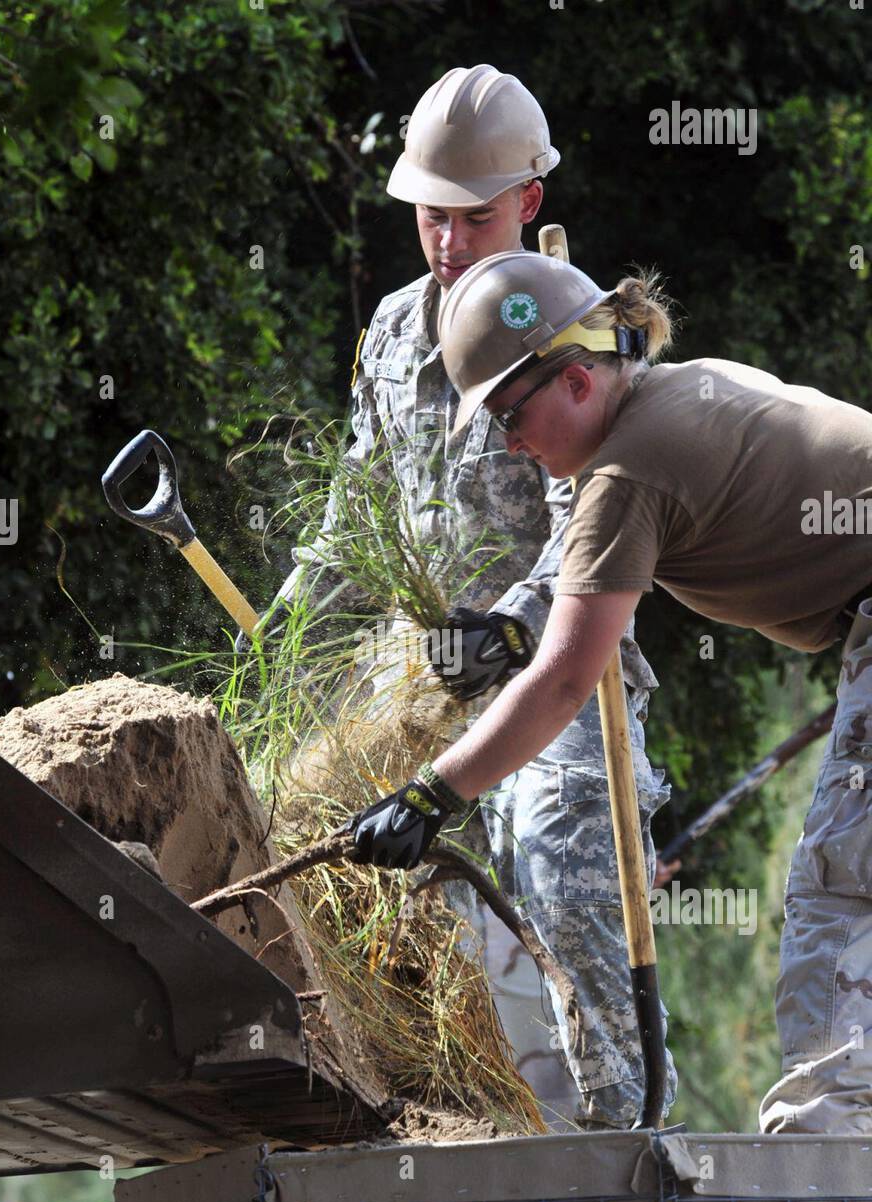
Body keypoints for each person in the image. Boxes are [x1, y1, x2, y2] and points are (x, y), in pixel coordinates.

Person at [350, 247, 872, 1137]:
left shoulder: (628, 471)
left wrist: (430, 797)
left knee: (842, 903)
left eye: (511, 414)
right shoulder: (683, 390)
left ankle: (829, 1179)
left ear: (577, 380)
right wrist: (510, 627)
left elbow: (564, 679)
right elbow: (571, 608)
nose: (509, 443)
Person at [275, 64, 676, 1131]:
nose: (450, 242)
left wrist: (510, 627)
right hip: (418, 681)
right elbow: (357, 504)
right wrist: (288, 620)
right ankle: (425, 1131)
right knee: (323, 847)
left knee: (558, 857)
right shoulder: (392, 329)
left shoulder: (570, 323)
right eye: (431, 218)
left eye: (475, 217)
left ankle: (630, 1137)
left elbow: (599, 515)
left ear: (529, 201)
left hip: (557, 673)